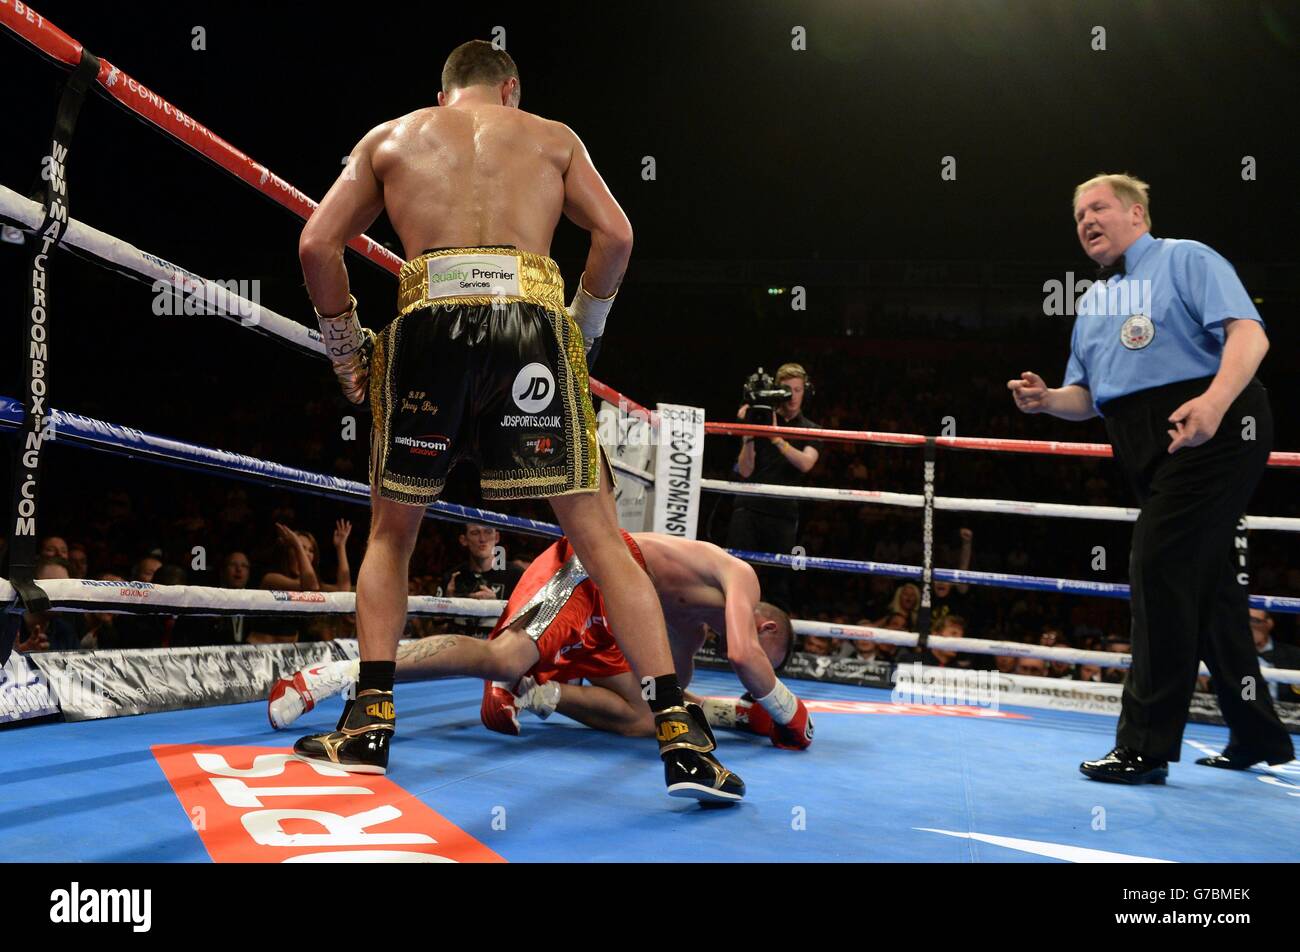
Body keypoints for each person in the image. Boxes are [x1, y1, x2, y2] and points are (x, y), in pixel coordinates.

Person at [295, 40, 740, 799]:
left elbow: (316, 243)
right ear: (510, 90)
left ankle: (368, 723)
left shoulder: (391, 137)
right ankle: (680, 733)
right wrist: (581, 333)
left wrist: (346, 353)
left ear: (443, 97)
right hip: (530, 327)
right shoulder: (550, 134)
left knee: (392, 534)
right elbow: (618, 236)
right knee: (600, 539)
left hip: (428, 324)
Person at [1009, 172, 1294, 783]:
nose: (1086, 220)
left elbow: (1249, 333)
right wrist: (1045, 400)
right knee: (1209, 586)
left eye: (1099, 208)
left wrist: (1215, 403)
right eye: (1078, 214)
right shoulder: (1092, 303)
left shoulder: (1185, 258)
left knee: (1160, 564)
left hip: (1213, 423)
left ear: (1136, 214)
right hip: (1142, 443)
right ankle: (1256, 734)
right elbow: (1087, 397)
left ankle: (1145, 744)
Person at [271, 532, 813, 769]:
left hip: (613, 614)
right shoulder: (739, 577)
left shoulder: (695, 626)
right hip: (591, 567)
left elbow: (660, 691)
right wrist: (790, 711)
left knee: (646, 719)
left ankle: (539, 693)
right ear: (768, 630)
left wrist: (740, 714)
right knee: (503, 656)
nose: (756, 668)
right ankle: (333, 675)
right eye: (773, 660)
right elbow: (746, 656)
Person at [727, 363, 823, 613]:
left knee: (779, 580)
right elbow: (745, 471)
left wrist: (775, 437)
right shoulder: (759, 415)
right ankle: (729, 635)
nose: (792, 395)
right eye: (787, 389)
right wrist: (748, 433)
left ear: (806, 392)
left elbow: (806, 463)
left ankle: (776, 643)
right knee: (737, 571)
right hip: (748, 506)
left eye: (797, 389)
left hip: (783, 511)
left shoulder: (811, 429)